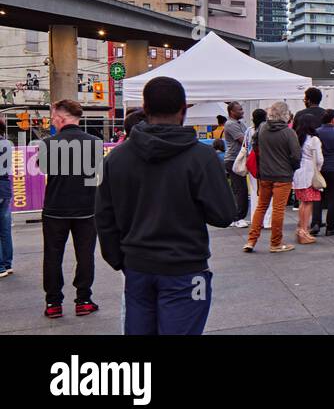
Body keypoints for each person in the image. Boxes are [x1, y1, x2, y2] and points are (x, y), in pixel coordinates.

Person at [95, 76, 239, 334]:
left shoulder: (116, 158)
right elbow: (224, 214)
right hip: (186, 267)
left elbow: (104, 218)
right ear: (183, 110)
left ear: (145, 109)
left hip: (137, 268)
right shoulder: (202, 157)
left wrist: (121, 261)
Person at [37, 99, 102, 318]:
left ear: (61, 118)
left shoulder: (49, 143)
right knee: (85, 255)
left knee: (52, 256)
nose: (52, 120)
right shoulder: (94, 142)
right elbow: (98, 175)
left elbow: (43, 167)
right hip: (86, 208)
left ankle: (53, 303)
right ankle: (83, 299)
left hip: (55, 208)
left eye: (54, 116)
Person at [310, 110, 334, 237]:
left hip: (319, 169)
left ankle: (315, 223)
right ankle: (330, 226)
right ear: (332, 120)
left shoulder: (316, 132)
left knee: (317, 196)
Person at [292, 114, 325, 246]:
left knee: (302, 203)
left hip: (298, 173)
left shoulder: (296, 138)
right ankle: (304, 232)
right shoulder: (314, 139)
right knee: (308, 203)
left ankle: (300, 228)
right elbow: (319, 159)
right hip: (309, 173)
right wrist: (318, 170)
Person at [221, 102, 248, 229]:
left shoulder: (240, 123)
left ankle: (234, 216)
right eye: (240, 109)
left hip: (237, 159)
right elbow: (244, 140)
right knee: (241, 189)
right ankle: (238, 217)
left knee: (237, 189)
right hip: (234, 159)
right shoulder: (230, 124)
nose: (242, 111)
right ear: (232, 112)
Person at [0, 118, 13, 279]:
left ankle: (1, 265)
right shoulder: (7, 143)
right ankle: (7, 263)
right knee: (5, 229)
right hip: (4, 185)